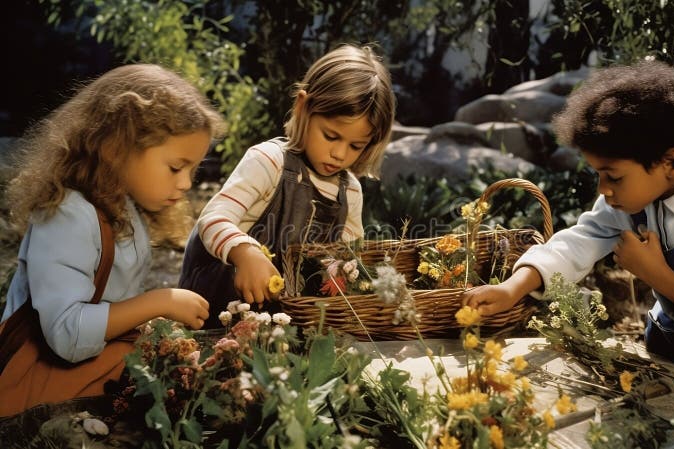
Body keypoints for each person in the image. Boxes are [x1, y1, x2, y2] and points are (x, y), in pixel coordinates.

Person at [462, 60, 674, 411]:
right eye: (598, 175)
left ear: (670, 163)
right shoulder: (639, 195)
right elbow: (584, 238)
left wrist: (658, 276)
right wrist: (511, 288)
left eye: (613, 176)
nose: (603, 189)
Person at [0, 64, 226, 416]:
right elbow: (66, 335)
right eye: (175, 167)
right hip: (41, 376)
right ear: (116, 148)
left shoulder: (120, 206)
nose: (185, 184)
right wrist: (158, 302)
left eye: (192, 170)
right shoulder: (68, 215)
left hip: (92, 360)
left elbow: (112, 299)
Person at [179, 43, 395, 326]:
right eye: (331, 136)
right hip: (215, 312)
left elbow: (347, 260)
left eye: (356, 145)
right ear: (303, 106)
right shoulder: (269, 161)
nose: (340, 154)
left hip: (284, 324)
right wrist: (245, 253)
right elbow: (211, 220)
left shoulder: (350, 191)